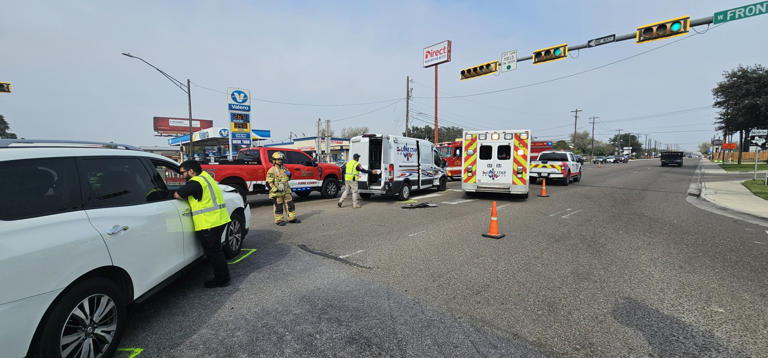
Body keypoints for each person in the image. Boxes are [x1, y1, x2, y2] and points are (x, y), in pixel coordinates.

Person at [174, 160, 231, 288]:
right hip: (218, 219)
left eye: (183, 173)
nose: (182, 176)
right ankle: (223, 276)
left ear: (191, 171)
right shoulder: (206, 177)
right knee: (216, 251)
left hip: (209, 222)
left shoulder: (195, 182)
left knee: (214, 252)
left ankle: (222, 279)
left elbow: (177, 194)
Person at [266, 152, 300, 226]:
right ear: (274, 160)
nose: (280, 161)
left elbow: (288, 179)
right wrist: (276, 189)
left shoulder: (284, 168)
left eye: (281, 159)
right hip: (277, 193)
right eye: (278, 159)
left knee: (290, 205)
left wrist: (290, 175)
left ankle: (292, 218)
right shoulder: (271, 170)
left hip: (286, 192)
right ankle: (279, 221)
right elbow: (269, 183)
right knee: (278, 207)